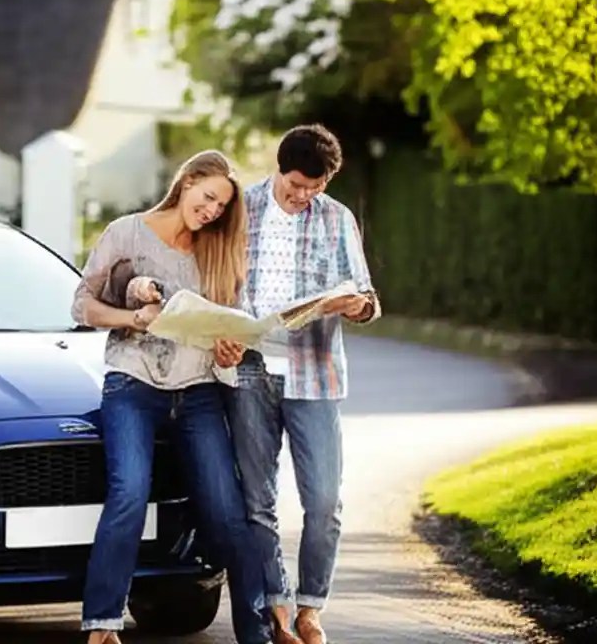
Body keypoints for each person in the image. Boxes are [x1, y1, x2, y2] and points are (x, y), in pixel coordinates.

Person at [71, 150, 271, 644]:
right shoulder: (127, 233)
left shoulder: (217, 252)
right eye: (208, 198)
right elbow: (82, 304)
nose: (211, 212)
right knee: (129, 493)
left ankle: (258, 632)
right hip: (132, 385)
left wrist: (229, 350)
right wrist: (131, 318)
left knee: (228, 514)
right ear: (187, 182)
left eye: (221, 207)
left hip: (199, 391)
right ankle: (102, 625)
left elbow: (230, 332)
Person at [226, 124, 380, 644]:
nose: (303, 196)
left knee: (324, 501)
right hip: (249, 371)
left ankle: (313, 605)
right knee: (256, 501)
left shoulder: (337, 218)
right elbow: (219, 284)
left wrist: (357, 305)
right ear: (278, 168)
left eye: (314, 188)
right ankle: (278, 607)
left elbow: (365, 296)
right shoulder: (240, 210)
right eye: (296, 186)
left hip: (315, 373)